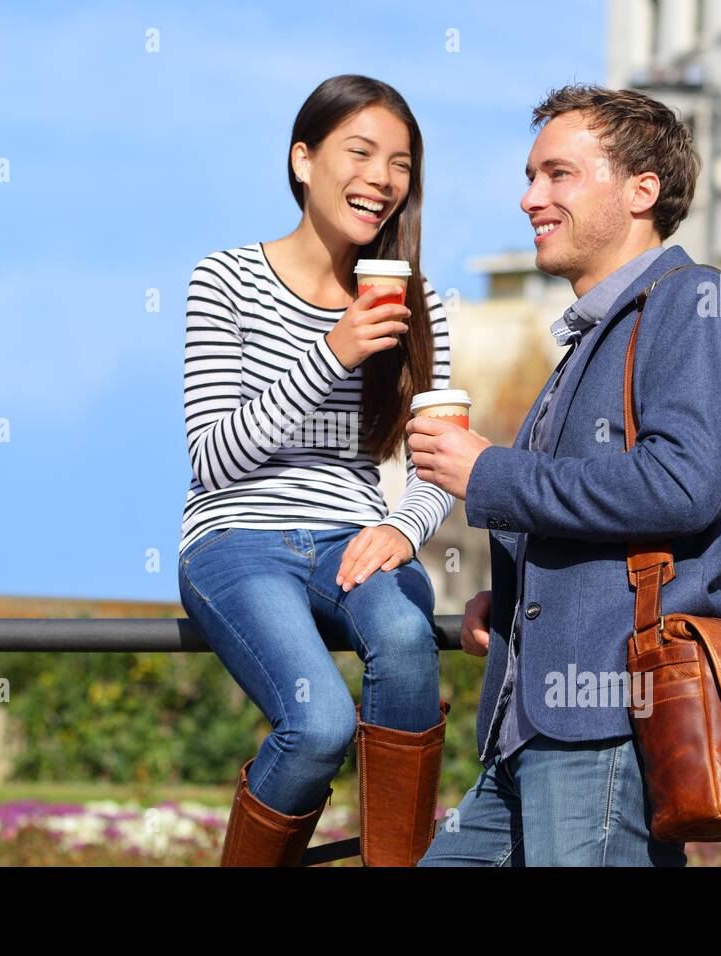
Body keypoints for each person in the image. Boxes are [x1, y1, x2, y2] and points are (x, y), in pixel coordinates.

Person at [407, 84, 721, 866]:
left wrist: (489, 471)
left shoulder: (695, 303)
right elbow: (600, 513)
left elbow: (682, 485)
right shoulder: (595, 336)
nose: (528, 197)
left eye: (558, 175)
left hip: (612, 721)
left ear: (642, 191)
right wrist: (515, 600)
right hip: (535, 733)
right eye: (530, 175)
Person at [178, 74, 457, 867]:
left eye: (401, 163)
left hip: (356, 538)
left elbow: (440, 458)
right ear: (303, 160)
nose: (382, 179)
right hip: (237, 538)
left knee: (407, 639)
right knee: (320, 723)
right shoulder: (224, 278)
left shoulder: (418, 302)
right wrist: (332, 350)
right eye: (360, 152)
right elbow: (216, 456)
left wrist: (403, 529)